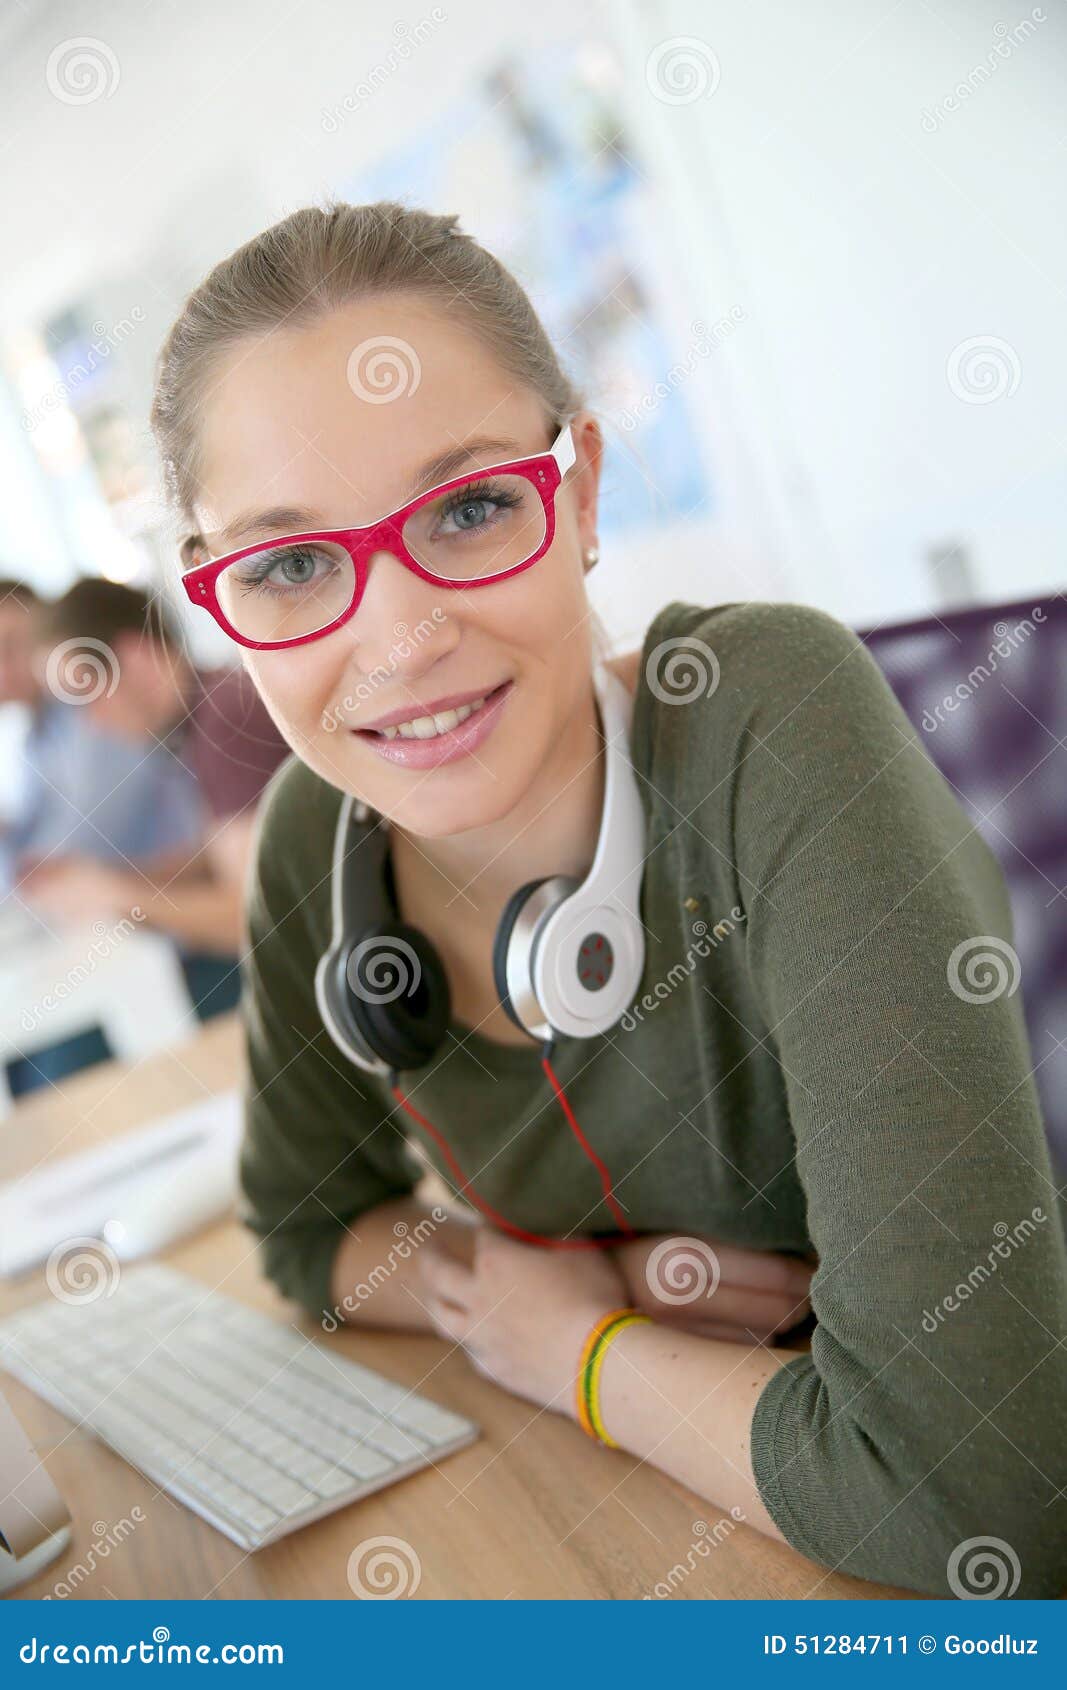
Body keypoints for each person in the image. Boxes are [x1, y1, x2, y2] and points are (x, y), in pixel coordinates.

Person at [149, 198, 1067, 1599]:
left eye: (466, 508)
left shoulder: (766, 710)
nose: (396, 639)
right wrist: (601, 1286)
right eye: (285, 564)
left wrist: (574, 1350)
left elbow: (972, 1497)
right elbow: (303, 1227)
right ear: (221, 603)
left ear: (572, 493)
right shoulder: (306, 840)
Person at [21, 578, 288, 965]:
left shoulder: (225, 722)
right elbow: (222, 853)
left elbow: (257, 920)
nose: (91, 724)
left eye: (83, 692)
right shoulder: (207, 709)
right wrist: (106, 881)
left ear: (133, 657)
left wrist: (117, 896)